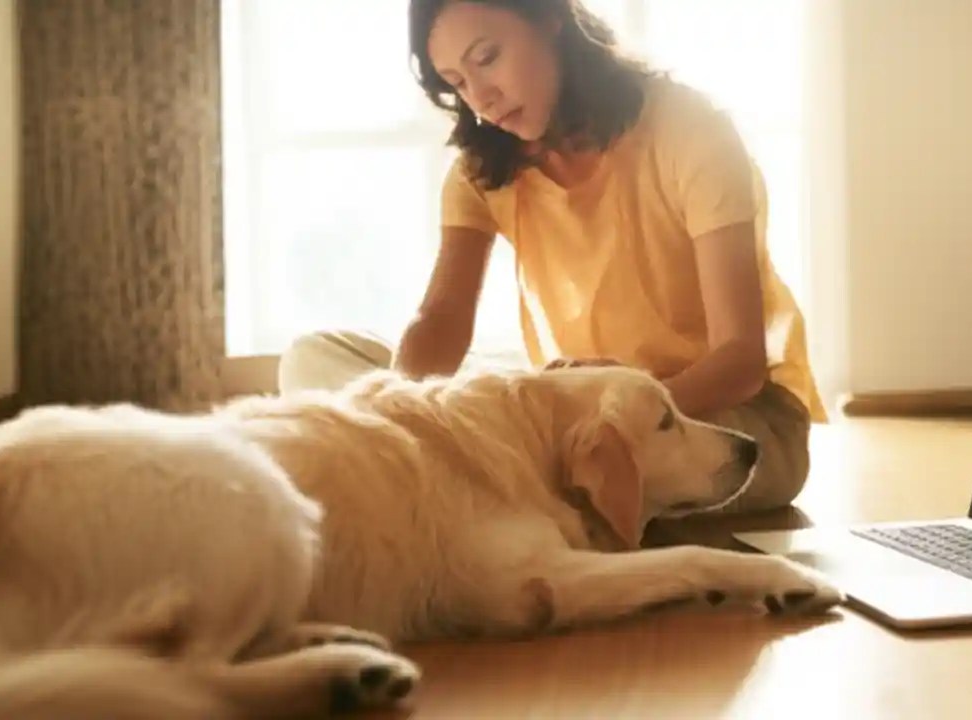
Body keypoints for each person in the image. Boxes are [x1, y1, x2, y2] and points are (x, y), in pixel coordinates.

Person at [278, 0, 827, 514]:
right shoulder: (480, 171)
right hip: (579, 410)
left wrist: (619, 419)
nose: (481, 98)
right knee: (316, 359)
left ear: (548, 18)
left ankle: (456, 495)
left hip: (723, 420)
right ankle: (452, 483)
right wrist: (399, 412)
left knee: (608, 470)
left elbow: (741, 362)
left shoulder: (690, 129)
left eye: (487, 58)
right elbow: (442, 321)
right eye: (457, 83)